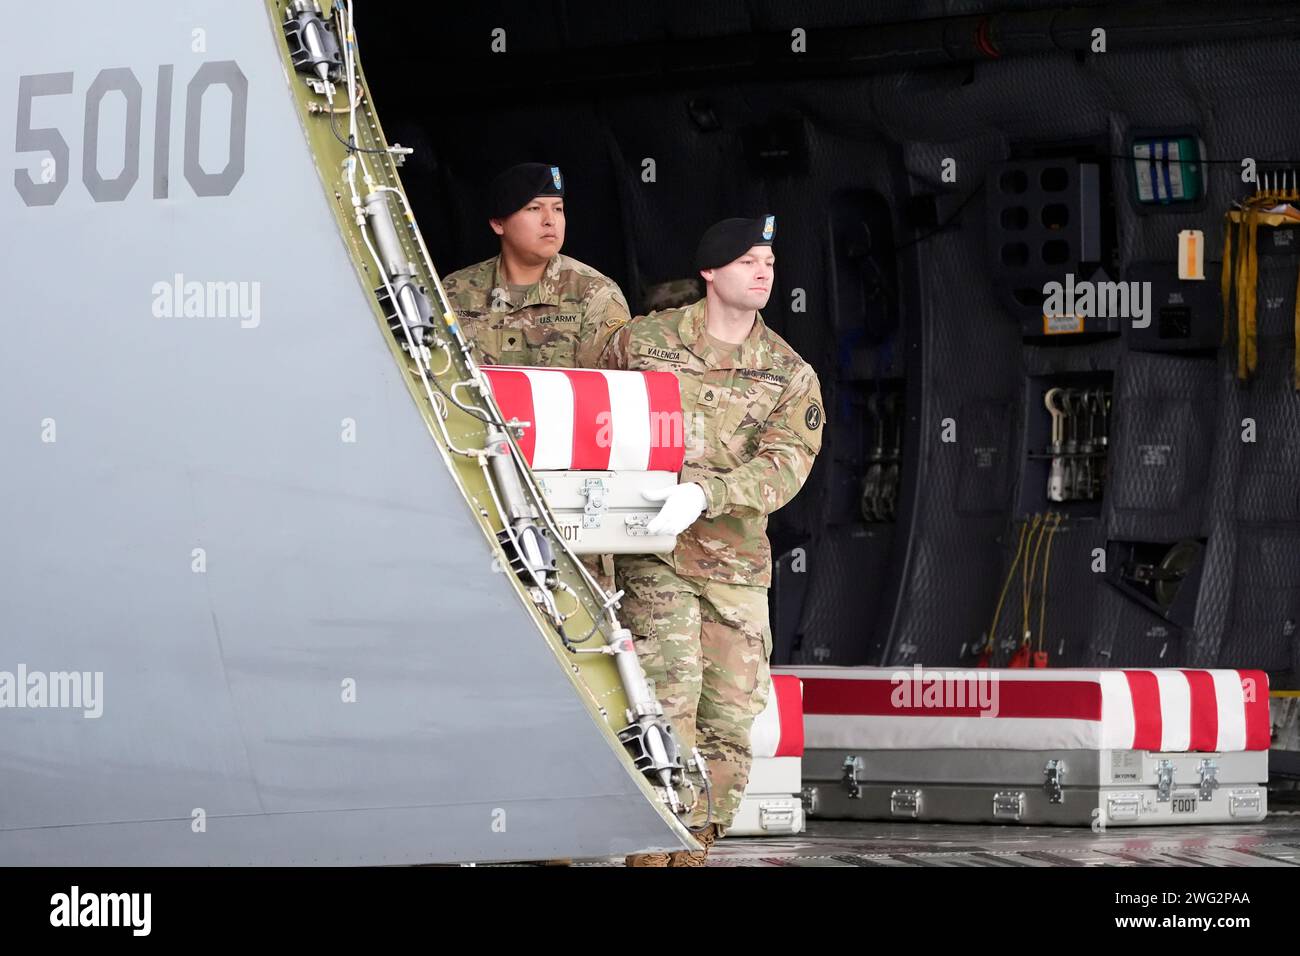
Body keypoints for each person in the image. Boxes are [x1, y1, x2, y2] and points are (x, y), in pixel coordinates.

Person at [603, 215, 824, 866]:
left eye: (770, 262)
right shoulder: (639, 345)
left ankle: (692, 848)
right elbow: (591, 415)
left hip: (735, 567)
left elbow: (787, 464)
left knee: (729, 726)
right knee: (665, 707)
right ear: (710, 271)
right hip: (656, 558)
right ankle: (649, 849)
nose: (763, 272)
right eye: (749, 260)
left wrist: (707, 492)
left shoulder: (787, 372)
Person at [441, 162, 629, 368]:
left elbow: (607, 387)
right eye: (534, 208)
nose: (550, 220)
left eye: (558, 209)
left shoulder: (594, 292)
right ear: (498, 223)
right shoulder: (455, 291)